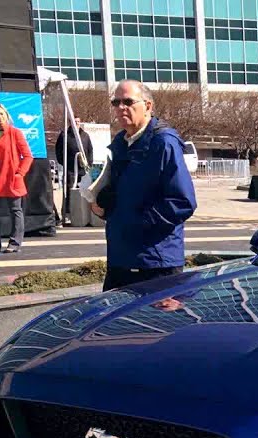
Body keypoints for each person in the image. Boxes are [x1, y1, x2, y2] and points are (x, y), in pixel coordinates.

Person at [88, 80, 196, 291]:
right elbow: (126, 192)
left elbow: (182, 202)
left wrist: (136, 222)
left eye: (128, 101)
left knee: (156, 324)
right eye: (115, 102)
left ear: (147, 106)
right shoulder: (121, 143)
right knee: (113, 322)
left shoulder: (164, 143)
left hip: (155, 261)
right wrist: (105, 202)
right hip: (121, 258)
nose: (120, 108)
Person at [0, 103, 33, 253]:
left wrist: (19, 173)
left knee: (15, 210)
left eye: (2, 113)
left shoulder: (15, 133)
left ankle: (15, 243)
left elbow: (28, 156)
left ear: (7, 115)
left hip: (11, 178)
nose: (0, 117)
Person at [54, 117, 93, 224]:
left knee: (85, 190)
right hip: (70, 168)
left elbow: (90, 150)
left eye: (78, 122)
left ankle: (83, 214)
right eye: (74, 122)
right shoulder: (64, 135)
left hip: (83, 169)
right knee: (69, 190)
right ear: (70, 123)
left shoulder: (85, 135)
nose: (76, 123)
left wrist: (89, 164)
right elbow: (58, 150)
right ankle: (67, 214)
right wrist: (64, 162)